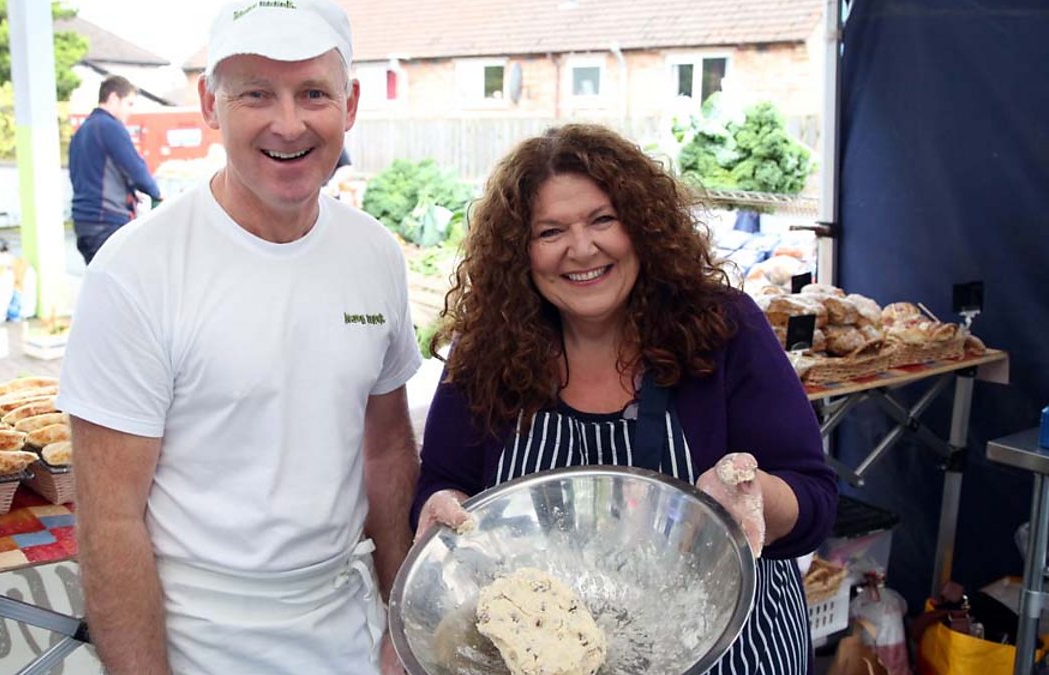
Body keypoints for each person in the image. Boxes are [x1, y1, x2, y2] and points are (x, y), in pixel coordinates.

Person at [55, 2, 422, 673]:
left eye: (313, 92)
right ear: (209, 104)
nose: (289, 123)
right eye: (256, 92)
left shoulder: (374, 254)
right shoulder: (137, 271)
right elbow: (110, 523)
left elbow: (389, 450)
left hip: (349, 628)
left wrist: (402, 618)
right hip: (201, 638)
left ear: (352, 102)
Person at [413, 124, 838, 673]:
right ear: (519, 252)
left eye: (602, 220)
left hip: (731, 649)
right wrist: (438, 509)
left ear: (641, 225)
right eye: (549, 232)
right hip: (546, 653)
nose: (581, 248)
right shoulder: (486, 354)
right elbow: (444, 486)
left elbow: (815, 498)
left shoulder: (723, 329)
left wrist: (754, 498)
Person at [67, 74, 162, 264]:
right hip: (107, 223)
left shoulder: (81, 133)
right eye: (129, 104)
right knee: (124, 287)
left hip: (84, 222)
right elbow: (136, 169)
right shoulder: (109, 127)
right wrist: (157, 194)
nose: (130, 111)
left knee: (101, 285)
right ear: (113, 98)